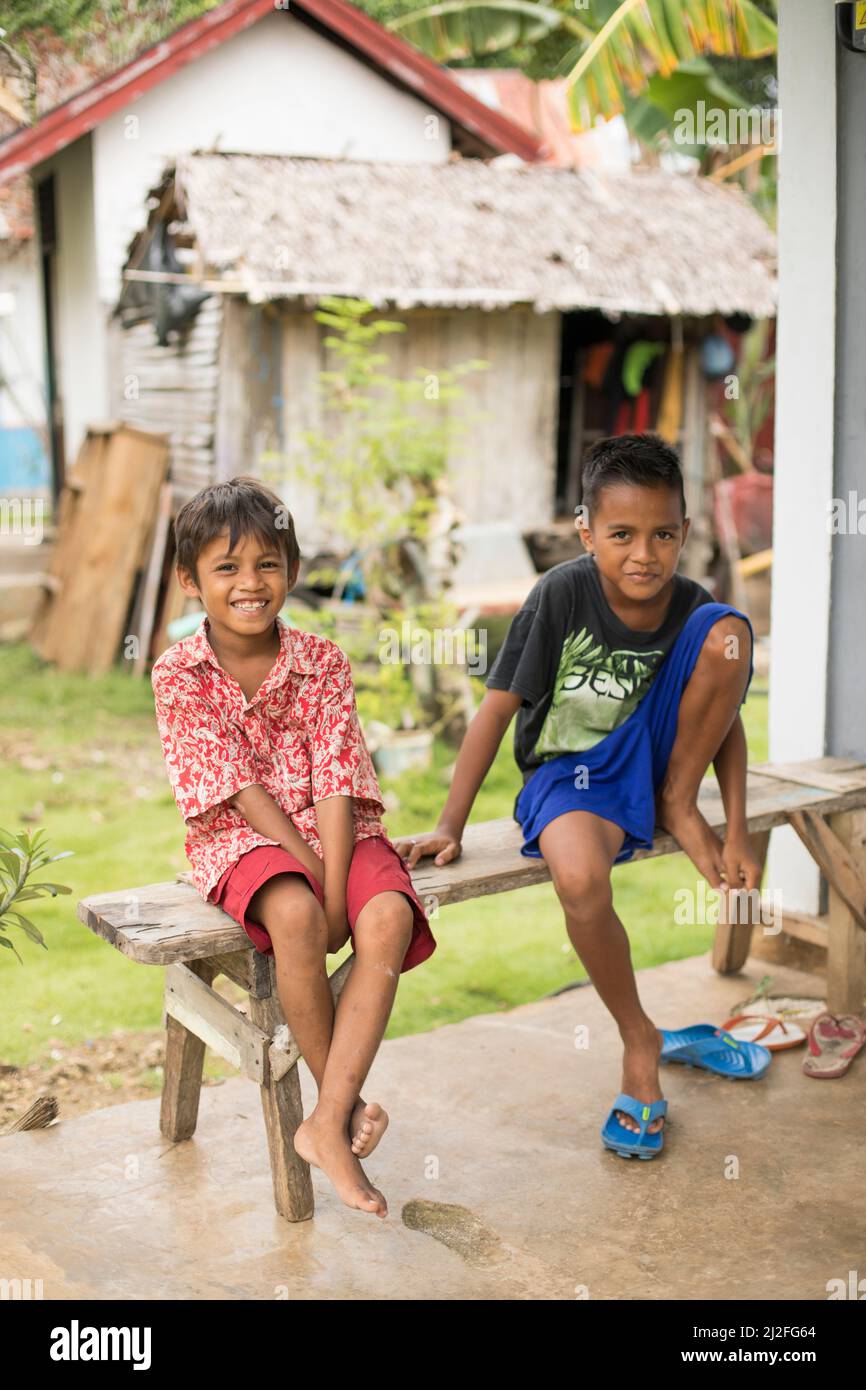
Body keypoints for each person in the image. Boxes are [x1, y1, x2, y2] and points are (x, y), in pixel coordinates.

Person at [395, 433, 761, 1159]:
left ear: (685, 533)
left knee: (728, 635)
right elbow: (497, 710)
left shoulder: (690, 605)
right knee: (581, 878)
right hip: (572, 774)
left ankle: (676, 804)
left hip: (656, 759)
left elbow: (730, 723)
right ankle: (639, 1038)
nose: (644, 555)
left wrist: (740, 829)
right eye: (621, 535)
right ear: (587, 530)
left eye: (663, 535)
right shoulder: (560, 593)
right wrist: (449, 822)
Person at [151, 476, 436, 1216]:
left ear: (295, 570)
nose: (251, 584)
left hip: (337, 824)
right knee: (299, 918)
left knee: (387, 920)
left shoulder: (322, 660)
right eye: (226, 568)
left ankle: (325, 1121)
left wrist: (339, 880)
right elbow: (238, 787)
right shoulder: (178, 673)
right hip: (241, 833)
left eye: (268, 564)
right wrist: (313, 881)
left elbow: (338, 780)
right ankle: (339, 1116)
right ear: (190, 582)